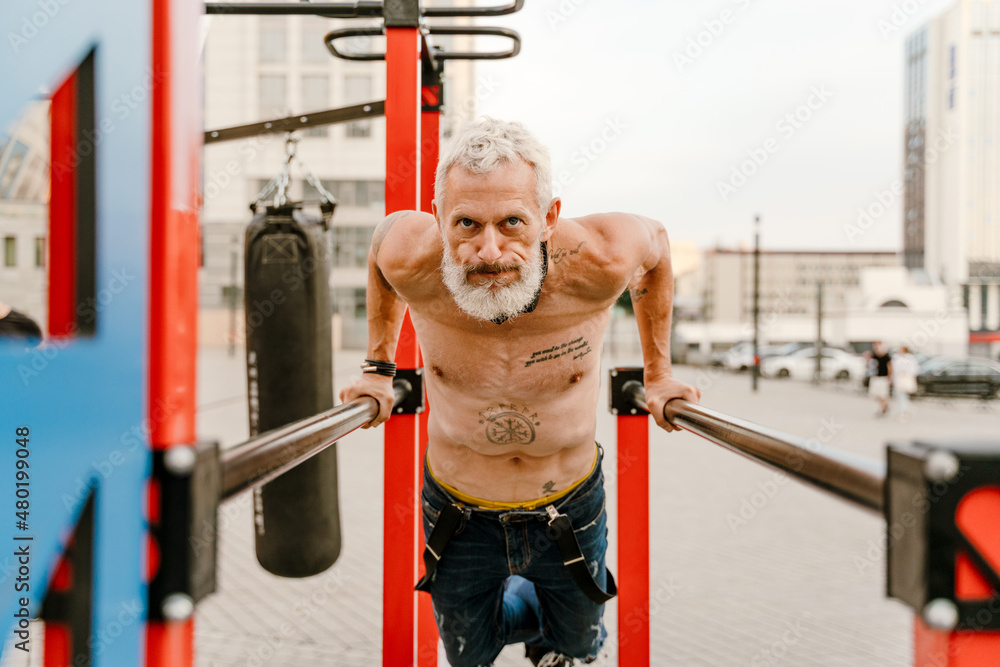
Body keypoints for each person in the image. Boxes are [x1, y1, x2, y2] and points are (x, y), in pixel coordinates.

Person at [339, 118, 700, 666]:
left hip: (569, 507)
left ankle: (546, 613)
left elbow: (658, 247)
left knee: (576, 646)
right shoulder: (413, 256)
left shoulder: (600, 259)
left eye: (512, 222)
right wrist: (377, 368)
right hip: (458, 509)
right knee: (469, 654)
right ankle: (528, 603)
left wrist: (659, 375)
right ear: (439, 216)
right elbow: (377, 250)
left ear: (549, 218)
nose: (488, 250)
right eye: (465, 224)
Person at [892, 345, 919, 419]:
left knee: (904, 394)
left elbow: (915, 368)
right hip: (899, 378)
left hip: (906, 378)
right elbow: (894, 368)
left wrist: (907, 373)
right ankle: (905, 409)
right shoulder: (896, 357)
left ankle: (903, 410)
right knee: (900, 395)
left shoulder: (910, 358)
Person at [868, 341, 892, 418]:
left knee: (882, 394)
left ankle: (883, 407)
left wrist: (889, 378)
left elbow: (890, 368)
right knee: (875, 394)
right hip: (875, 377)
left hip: (883, 378)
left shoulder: (886, 356)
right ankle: (885, 406)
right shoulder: (873, 355)